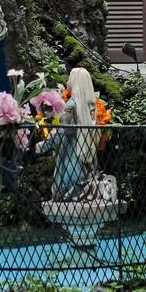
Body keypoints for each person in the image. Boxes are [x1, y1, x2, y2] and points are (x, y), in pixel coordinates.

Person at [36, 68, 110, 202]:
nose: (68, 81)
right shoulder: (91, 106)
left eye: (70, 78)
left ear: (76, 81)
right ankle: (99, 189)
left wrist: (43, 145)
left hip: (71, 154)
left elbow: (60, 130)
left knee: (63, 193)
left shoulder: (71, 105)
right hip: (86, 153)